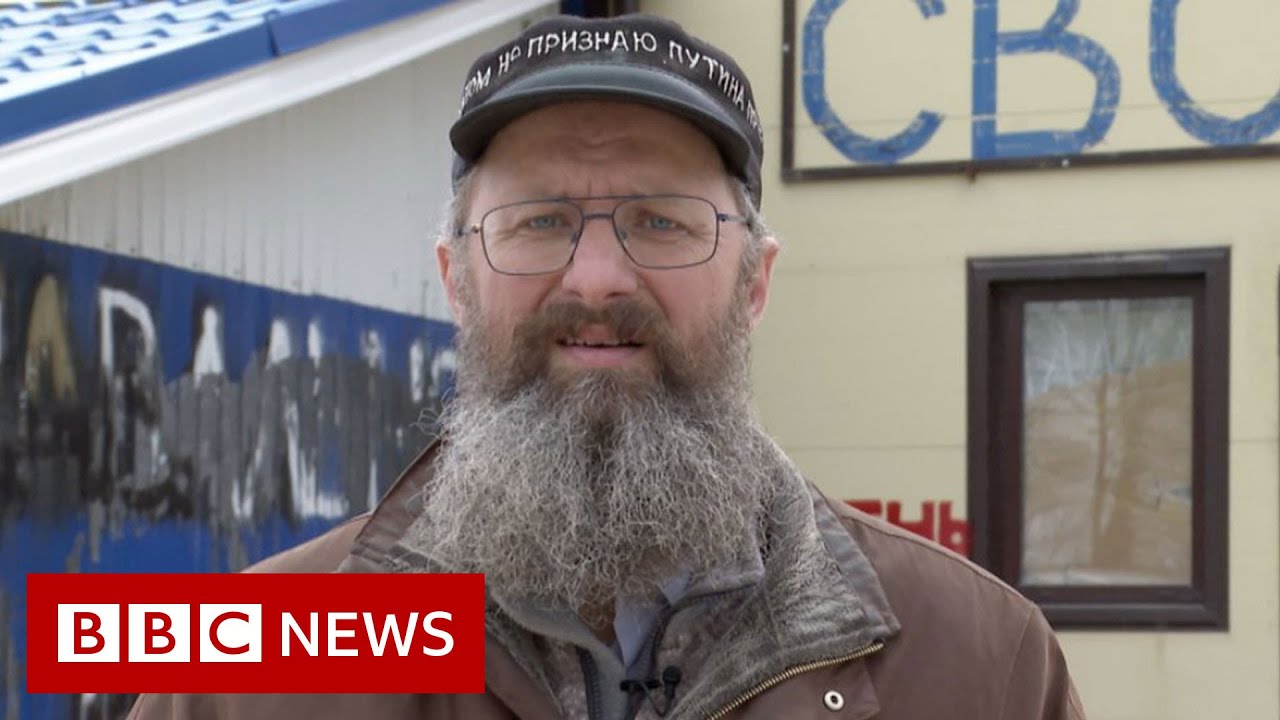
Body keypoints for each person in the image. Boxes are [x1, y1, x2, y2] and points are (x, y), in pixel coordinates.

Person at [129, 12, 1085, 720]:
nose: (595, 279)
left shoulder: (986, 668)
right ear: (455, 281)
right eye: (538, 221)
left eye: (662, 221)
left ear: (754, 284)